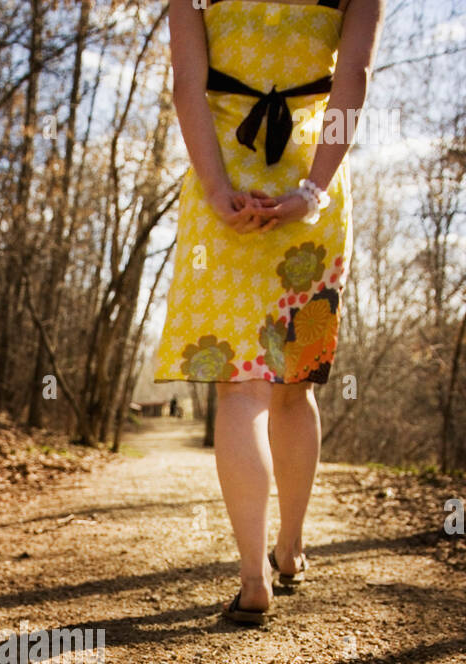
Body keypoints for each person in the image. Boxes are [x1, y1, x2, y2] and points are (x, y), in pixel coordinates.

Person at [156, 0, 384, 625]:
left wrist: (215, 190)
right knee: (294, 388)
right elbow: (352, 80)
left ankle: (253, 577)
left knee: (241, 390)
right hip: (312, 193)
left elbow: (187, 89)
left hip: (223, 191)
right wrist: (312, 190)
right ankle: (290, 548)